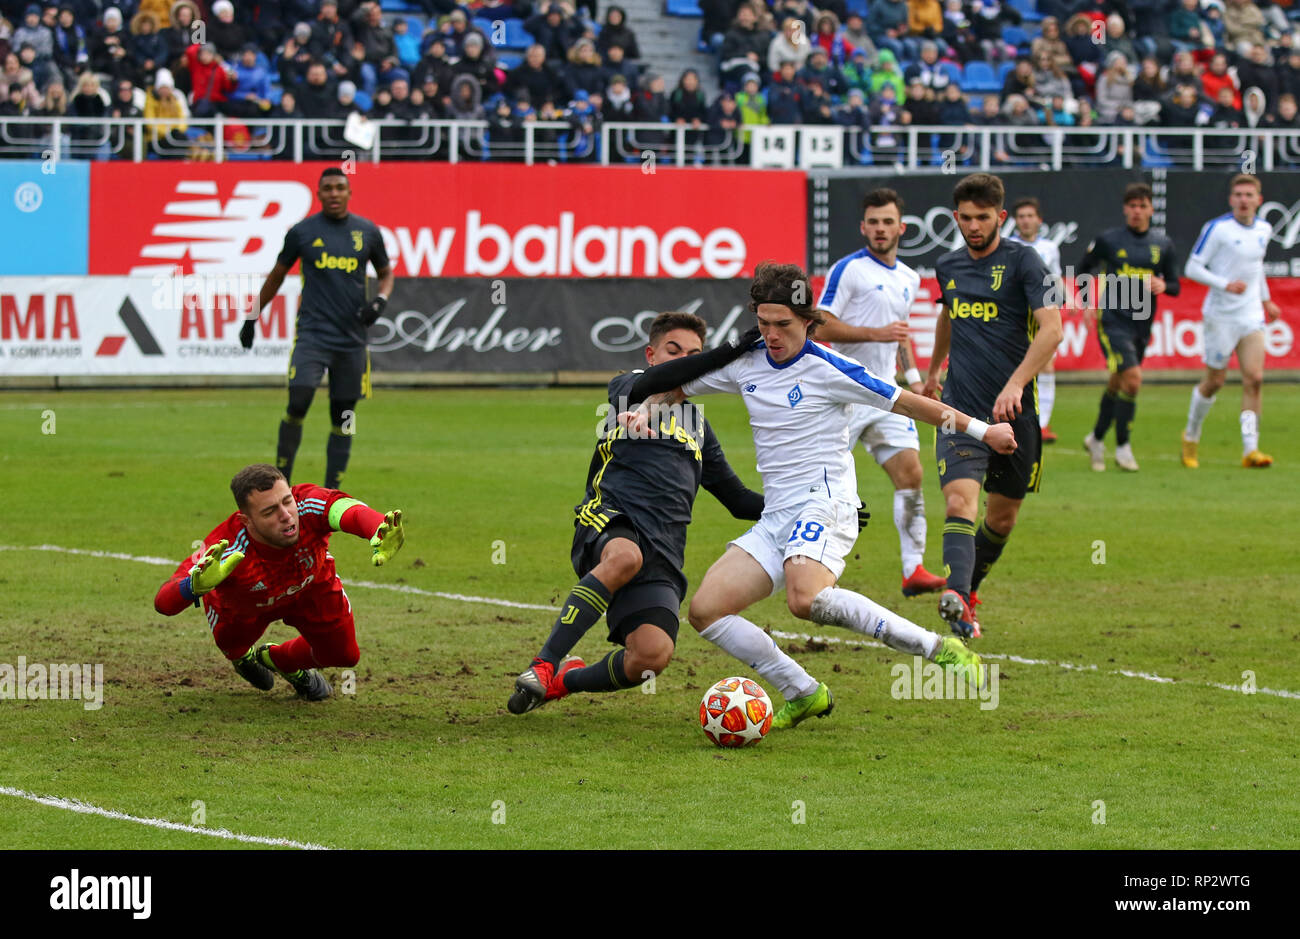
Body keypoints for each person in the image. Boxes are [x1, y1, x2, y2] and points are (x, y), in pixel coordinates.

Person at [626, 263, 997, 728]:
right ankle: (803, 691)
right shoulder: (746, 361)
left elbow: (908, 402)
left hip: (826, 504)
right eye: (763, 323)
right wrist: (645, 409)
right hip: (778, 515)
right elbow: (676, 386)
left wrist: (984, 430)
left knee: (805, 598)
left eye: (783, 323)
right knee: (706, 610)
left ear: (808, 320)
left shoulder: (830, 367)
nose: (772, 333)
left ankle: (939, 648)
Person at [507, 312, 766, 714]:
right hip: (610, 519)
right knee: (626, 556)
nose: (684, 360)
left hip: (663, 552)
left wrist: (812, 507)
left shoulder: (699, 426)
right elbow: (647, 387)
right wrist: (726, 352)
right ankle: (542, 665)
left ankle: (563, 682)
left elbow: (738, 501)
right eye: (673, 351)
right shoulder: (629, 386)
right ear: (651, 354)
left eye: (693, 354)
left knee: (651, 655)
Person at [924, 173, 1063, 638]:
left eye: (982, 218)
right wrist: (932, 369)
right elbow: (948, 313)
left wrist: (1016, 385)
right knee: (960, 500)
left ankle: (969, 587)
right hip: (960, 410)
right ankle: (958, 597)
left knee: (1001, 518)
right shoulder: (948, 265)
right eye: (965, 218)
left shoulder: (1027, 263)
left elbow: (1052, 330)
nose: (973, 226)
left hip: (1015, 414)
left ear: (1000, 217)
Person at [152, 464, 405, 701]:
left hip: (311, 587)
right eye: (270, 511)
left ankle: (277, 660)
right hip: (246, 608)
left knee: (345, 655)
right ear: (246, 521)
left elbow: (347, 510)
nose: (286, 516)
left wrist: (377, 527)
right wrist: (193, 588)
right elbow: (164, 602)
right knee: (234, 647)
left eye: (287, 501)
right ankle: (243, 657)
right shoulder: (226, 547)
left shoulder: (306, 504)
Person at [814, 188, 946, 597]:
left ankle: (914, 570)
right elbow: (819, 325)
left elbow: (901, 337)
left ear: (901, 227)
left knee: (911, 474)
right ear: (863, 227)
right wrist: (876, 333)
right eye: (873, 222)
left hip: (887, 394)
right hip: (845, 393)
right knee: (820, 485)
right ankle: (801, 562)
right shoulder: (848, 270)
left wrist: (916, 377)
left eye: (888, 222)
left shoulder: (908, 277)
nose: (880, 229)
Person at [239, 168, 394, 491]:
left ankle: (330, 492)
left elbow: (386, 274)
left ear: (349, 193)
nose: (334, 193)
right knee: (298, 401)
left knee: (344, 416)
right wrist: (252, 316)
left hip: (351, 340)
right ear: (319, 193)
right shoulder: (302, 232)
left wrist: (380, 301)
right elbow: (277, 275)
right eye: (328, 189)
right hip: (313, 335)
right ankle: (281, 484)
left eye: (340, 188)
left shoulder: (367, 232)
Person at [1079, 182, 1181, 472]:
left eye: (1142, 206)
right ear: (1125, 209)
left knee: (1118, 380)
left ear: (1151, 209)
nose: (1137, 211)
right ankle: (1123, 446)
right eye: (1132, 206)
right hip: (1112, 319)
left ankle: (1096, 438)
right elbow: (1085, 267)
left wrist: (1163, 284)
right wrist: (1088, 302)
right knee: (1133, 379)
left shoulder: (1163, 244)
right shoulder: (1109, 240)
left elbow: (1174, 285)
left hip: (1142, 324)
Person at [1181, 174, 1280, 469]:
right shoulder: (1217, 229)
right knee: (1214, 381)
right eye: (1238, 194)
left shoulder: (1264, 228)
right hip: (1221, 316)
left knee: (1255, 379)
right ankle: (1191, 435)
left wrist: (1265, 300)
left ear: (1259, 200)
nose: (1243, 200)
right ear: (1231, 199)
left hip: (1250, 315)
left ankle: (1251, 449)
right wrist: (1224, 284)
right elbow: (1192, 266)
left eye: (1249, 195)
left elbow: (1256, 268)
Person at [1006, 197, 1063, 442]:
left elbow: (1055, 277)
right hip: (1015, 315)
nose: (1026, 221)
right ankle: (1010, 416)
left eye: (1030, 216)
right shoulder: (1008, 246)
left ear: (1039, 220)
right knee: (1014, 366)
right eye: (1021, 216)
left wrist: (1066, 300)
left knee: (1046, 365)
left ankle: (1042, 424)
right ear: (1015, 221)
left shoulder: (1049, 247)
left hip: (1040, 313)